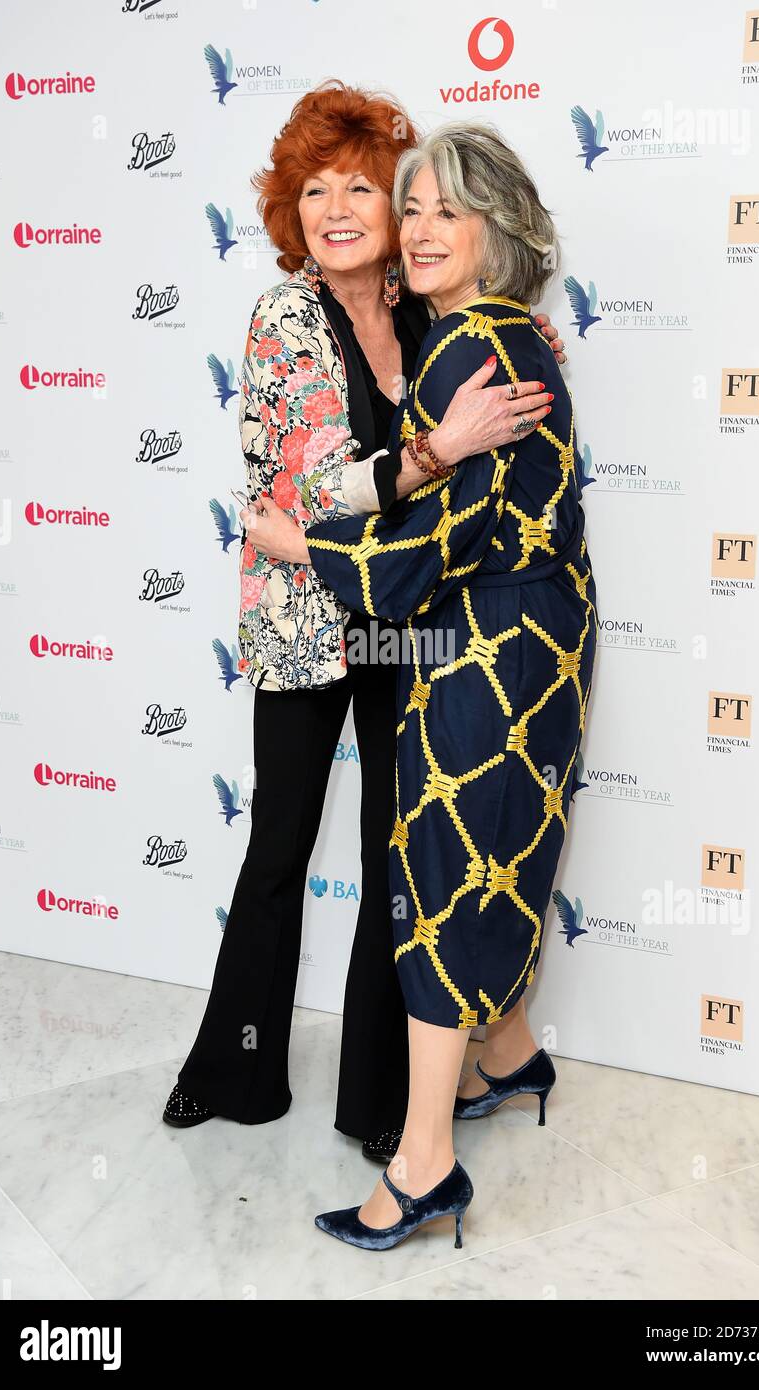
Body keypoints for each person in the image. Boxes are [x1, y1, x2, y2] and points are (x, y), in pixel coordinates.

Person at [162, 83, 565, 1163]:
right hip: (305, 616)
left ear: (393, 209)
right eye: (311, 191)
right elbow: (316, 492)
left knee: (402, 856)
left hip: (403, 613)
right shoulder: (285, 316)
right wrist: (441, 447)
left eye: (359, 187)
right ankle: (234, 1067)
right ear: (288, 211)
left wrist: (532, 351)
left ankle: (382, 1102)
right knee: (283, 845)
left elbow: (487, 340)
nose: (335, 208)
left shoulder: (422, 301)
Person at [241, 122, 598, 1250]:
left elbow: (422, 553)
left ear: (497, 229)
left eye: (450, 208)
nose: (424, 224)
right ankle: (511, 1052)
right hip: (538, 637)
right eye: (421, 206)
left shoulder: (462, 342)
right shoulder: (484, 335)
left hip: (482, 647)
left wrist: (300, 550)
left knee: (440, 876)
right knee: (495, 850)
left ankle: (426, 1164)